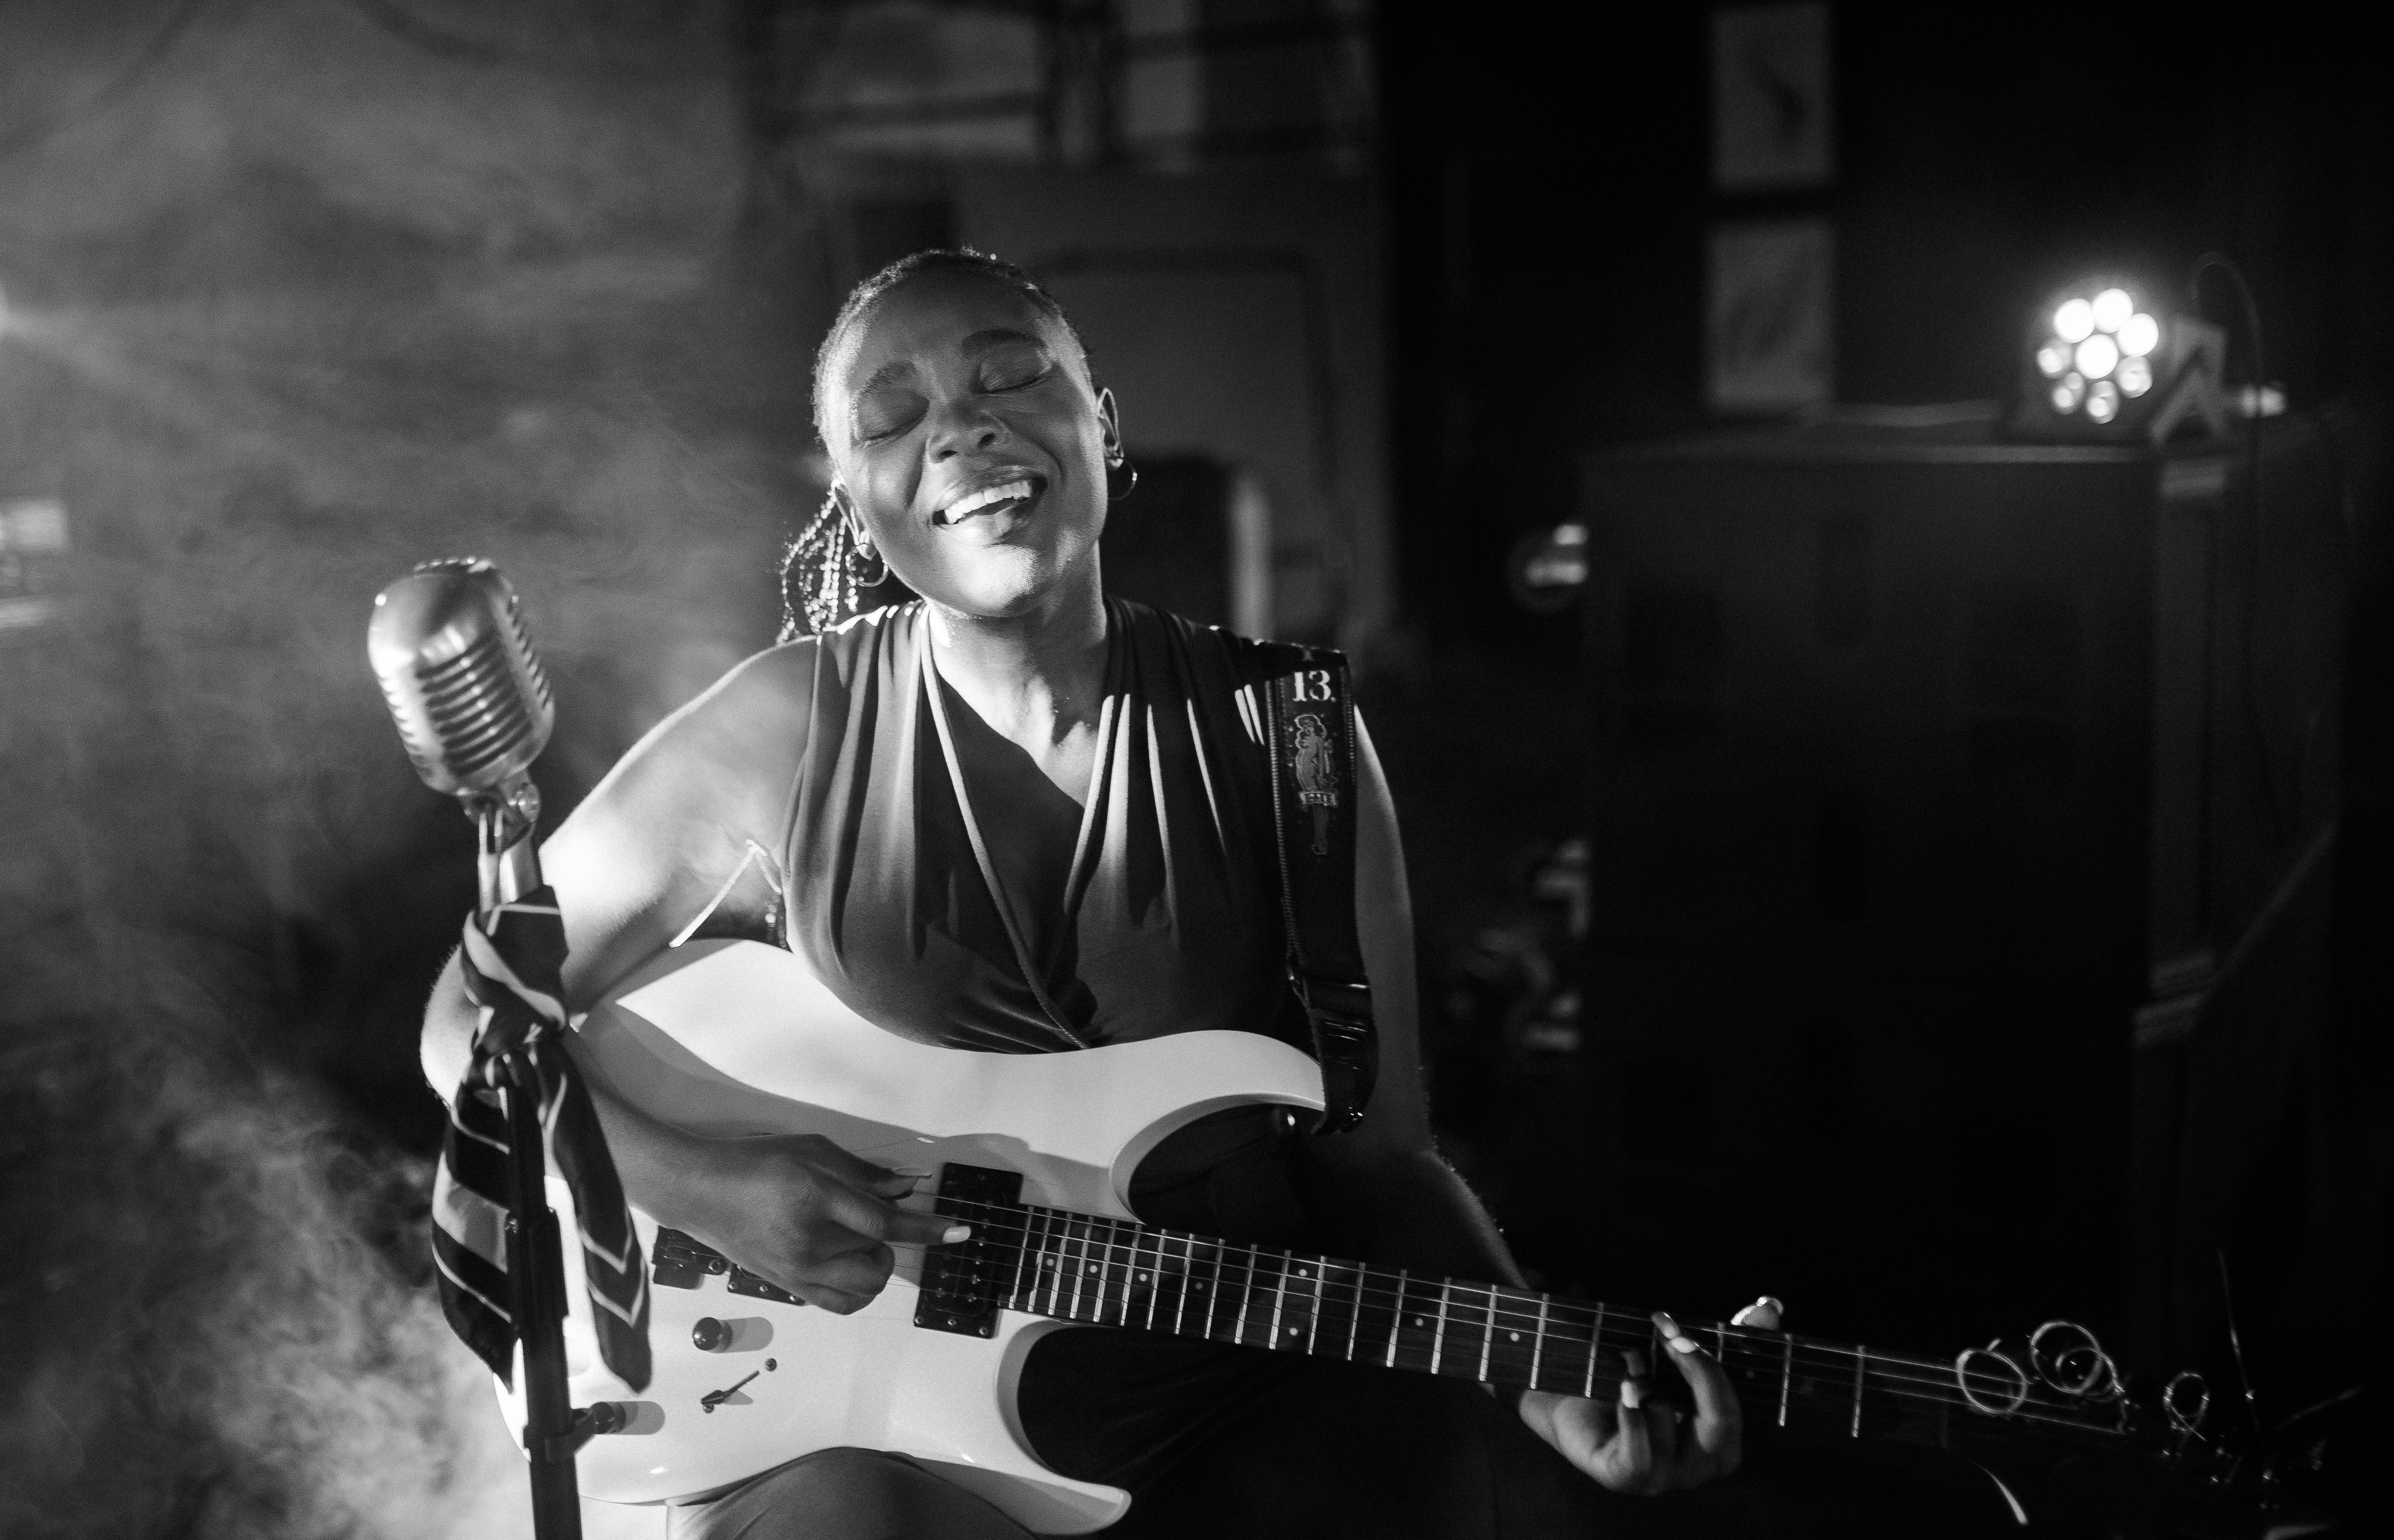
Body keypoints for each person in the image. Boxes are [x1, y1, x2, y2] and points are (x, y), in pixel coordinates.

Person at [419, 249, 1764, 1538]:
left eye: (1011, 379)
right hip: (891, 1436)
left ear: (1101, 422)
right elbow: (467, 1022)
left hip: (1252, 1396)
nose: (963, 436)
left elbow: (1383, 1160)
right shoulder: (784, 726)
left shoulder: (1287, 736)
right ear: (855, 497)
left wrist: (1540, 1369)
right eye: (897, 419)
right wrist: (698, 1182)